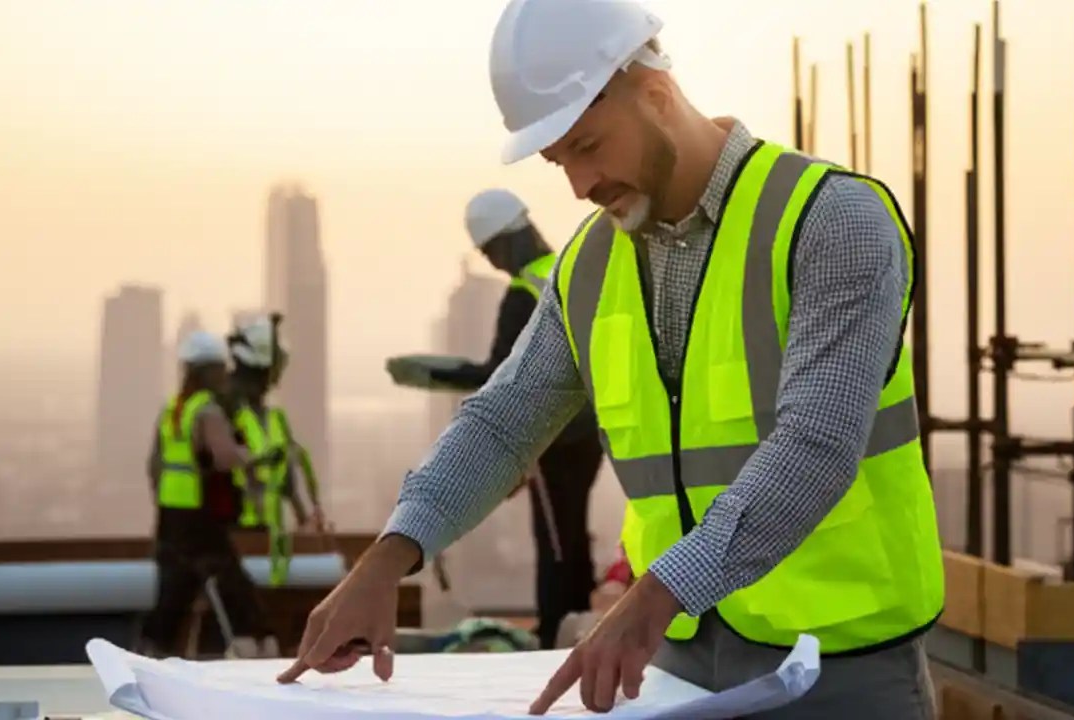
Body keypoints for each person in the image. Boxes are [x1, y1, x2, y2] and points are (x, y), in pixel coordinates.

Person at [279, 1, 944, 717]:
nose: (578, 185)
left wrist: (653, 596)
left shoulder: (831, 221)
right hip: (677, 665)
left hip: (838, 670)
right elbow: (503, 422)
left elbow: (816, 448)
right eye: (559, 160)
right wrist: (390, 555)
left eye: (588, 146)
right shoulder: (590, 266)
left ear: (655, 94)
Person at [425, 188, 605, 650]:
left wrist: (442, 372)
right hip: (591, 425)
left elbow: (502, 375)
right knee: (571, 530)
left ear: (504, 241)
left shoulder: (525, 292)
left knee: (554, 541)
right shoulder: (567, 270)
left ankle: (556, 635)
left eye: (489, 251)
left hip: (553, 430)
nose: (491, 262)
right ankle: (579, 622)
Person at [137, 330, 279, 659]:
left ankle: (148, 652)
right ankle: (254, 642)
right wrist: (254, 457)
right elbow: (224, 456)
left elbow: (154, 464)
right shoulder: (207, 410)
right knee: (230, 577)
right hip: (198, 514)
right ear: (209, 371)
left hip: (170, 514)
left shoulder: (173, 409)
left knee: (174, 588)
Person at [224, 317, 328, 587]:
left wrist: (308, 522)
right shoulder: (225, 414)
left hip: (269, 547)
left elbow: (288, 483)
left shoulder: (275, 420)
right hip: (234, 540)